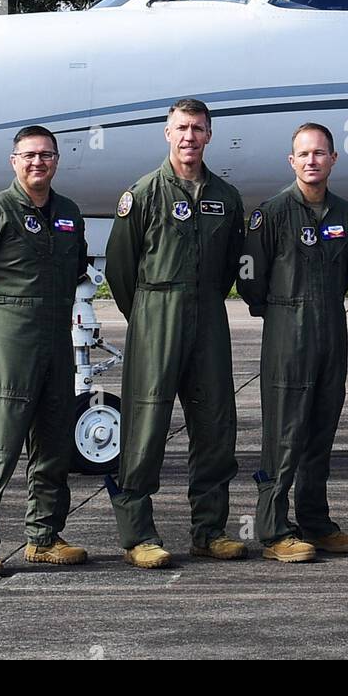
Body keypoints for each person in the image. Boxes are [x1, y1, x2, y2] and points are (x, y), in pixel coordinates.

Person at [105, 98, 246, 568]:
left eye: (198, 129)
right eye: (181, 128)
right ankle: (138, 534)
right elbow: (121, 270)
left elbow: (229, 264)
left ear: (209, 135)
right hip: (155, 315)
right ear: (168, 133)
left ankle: (210, 530)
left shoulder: (226, 197)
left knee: (215, 425)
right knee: (146, 428)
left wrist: (200, 300)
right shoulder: (142, 194)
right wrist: (147, 315)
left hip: (208, 316)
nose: (189, 137)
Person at [0, 125, 89, 576]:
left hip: (55, 340)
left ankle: (44, 536)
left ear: (56, 161)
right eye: (29, 155)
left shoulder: (68, 213)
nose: (38, 163)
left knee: (53, 441)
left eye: (46, 155)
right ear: (14, 161)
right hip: (9, 340)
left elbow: (75, 268)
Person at [238, 123, 348, 563]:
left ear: (333, 159)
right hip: (286, 333)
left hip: (331, 329)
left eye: (320, 153)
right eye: (303, 154)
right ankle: (273, 530)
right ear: (292, 161)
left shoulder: (346, 215)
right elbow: (250, 276)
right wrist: (278, 310)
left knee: (321, 431)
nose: (312, 161)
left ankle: (316, 521)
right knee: (284, 434)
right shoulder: (271, 213)